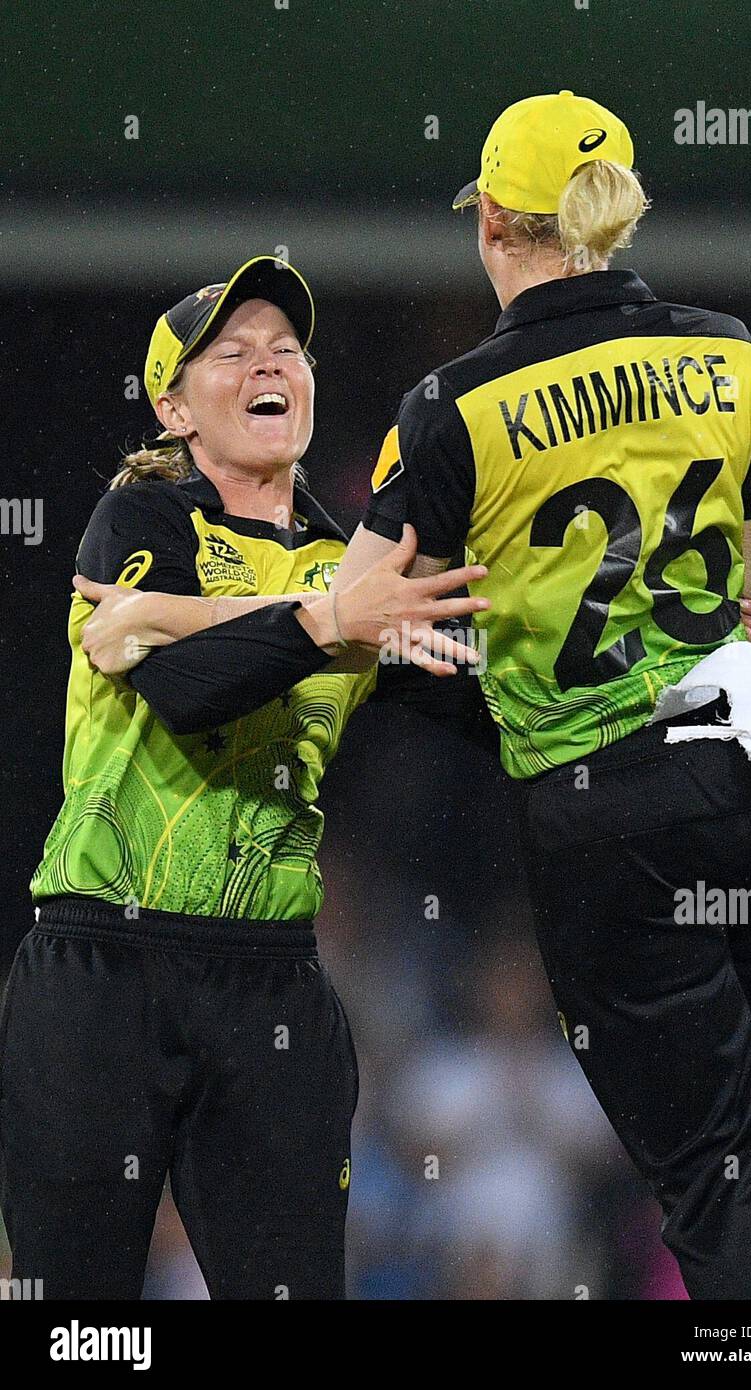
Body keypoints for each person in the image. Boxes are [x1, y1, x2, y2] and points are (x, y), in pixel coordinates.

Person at [325, 93, 751, 1299]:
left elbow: (356, 623)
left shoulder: (451, 406)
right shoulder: (726, 350)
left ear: (491, 225)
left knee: (716, 1181)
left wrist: (479, 680)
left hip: (607, 810)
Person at [0, 255, 489, 1301]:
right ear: (173, 406)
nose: (271, 364)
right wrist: (326, 623)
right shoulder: (140, 524)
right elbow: (187, 691)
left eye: (287, 350)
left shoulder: (350, 570)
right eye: (234, 352)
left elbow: (495, 708)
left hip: (269, 981)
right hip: (100, 969)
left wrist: (695, 649)